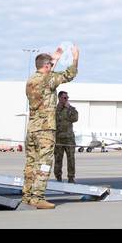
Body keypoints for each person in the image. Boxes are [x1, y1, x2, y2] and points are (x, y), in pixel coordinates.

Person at [23, 44, 79, 210]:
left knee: (31, 163)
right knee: (44, 163)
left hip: (32, 128)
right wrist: (75, 57)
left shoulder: (31, 80)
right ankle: (38, 197)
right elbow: (69, 74)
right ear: (47, 66)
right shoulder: (49, 79)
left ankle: (27, 196)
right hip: (45, 130)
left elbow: (46, 71)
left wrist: (54, 58)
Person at [54, 90, 80, 183]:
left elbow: (75, 118)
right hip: (58, 139)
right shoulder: (54, 109)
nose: (66, 99)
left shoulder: (70, 109)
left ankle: (71, 178)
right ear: (60, 98)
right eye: (65, 98)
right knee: (58, 160)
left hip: (69, 139)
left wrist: (69, 108)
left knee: (71, 159)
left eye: (67, 98)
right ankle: (58, 177)